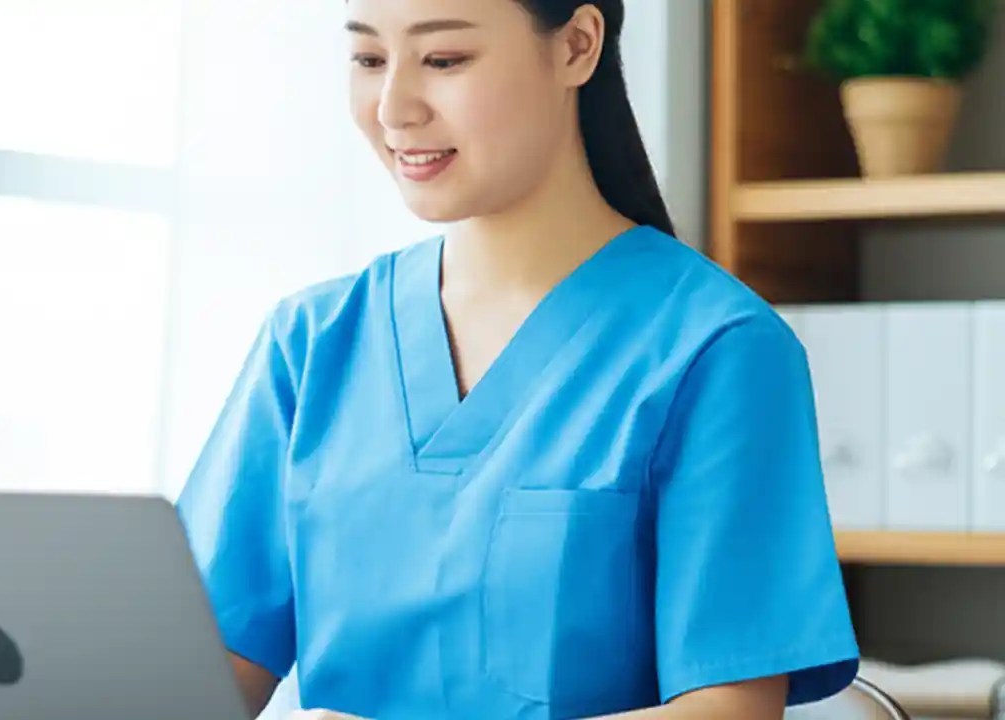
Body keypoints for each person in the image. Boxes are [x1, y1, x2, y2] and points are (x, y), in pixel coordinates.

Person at [174, 0, 861, 717]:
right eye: (370, 60)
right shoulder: (311, 343)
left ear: (576, 47)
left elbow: (729, 712)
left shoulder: (717, 350)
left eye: (444, 60)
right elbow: (190, 680)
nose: (393, 109)